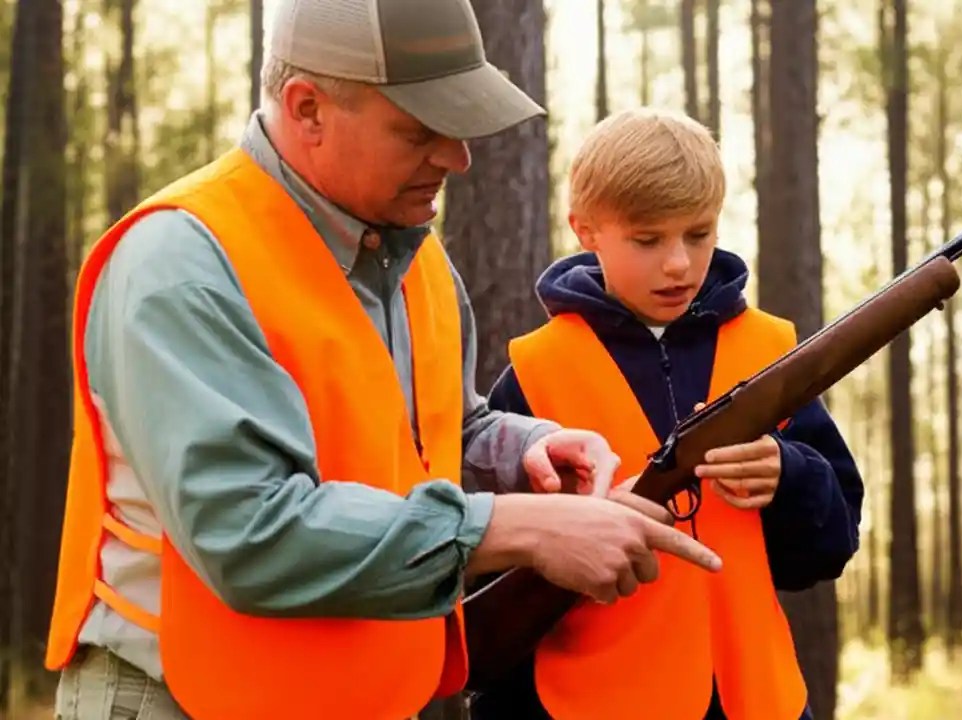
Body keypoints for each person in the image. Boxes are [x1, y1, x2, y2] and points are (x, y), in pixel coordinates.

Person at [43, 2, 721, 719]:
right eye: (420, 129)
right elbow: (250, 531)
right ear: (308, 109)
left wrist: (526, 449)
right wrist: (520, 527)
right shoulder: (181, 263)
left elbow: (435, 439)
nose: (456, 158)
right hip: (180, 699)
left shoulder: (418, 261)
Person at [470, 108, 865, 720]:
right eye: (648, 239)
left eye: (699, 234)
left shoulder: (769, 356)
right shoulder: (537, 370)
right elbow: (487, 563)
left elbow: (829, 548)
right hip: (579, 705)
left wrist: (789, 475)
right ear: (586, 230)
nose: (678, 262)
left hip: (753, 701)